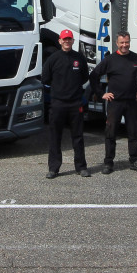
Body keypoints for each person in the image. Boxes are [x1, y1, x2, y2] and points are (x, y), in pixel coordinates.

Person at [89, 31, 137, 174]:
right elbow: (93, 76)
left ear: (129, 42)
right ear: (117, 43)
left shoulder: (136, 58)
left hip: (131, 102)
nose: (124, 45)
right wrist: (101, 93)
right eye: (121, 42)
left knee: (133, 132)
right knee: (111, 133)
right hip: (115, 103)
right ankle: (108, 163)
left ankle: (134, 161)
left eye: (127, 42)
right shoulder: (110, 60)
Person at [41, 29, 91, 179]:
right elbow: (45, 78)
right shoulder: (53, 59)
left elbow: (84, 77)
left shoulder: (79, 58)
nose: (67, 41)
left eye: (69, 39)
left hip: (75, 103)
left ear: (73, 41)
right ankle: (53, 168)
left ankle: (81, 167)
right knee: (55, 137)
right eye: (64, 39)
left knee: (78, 137)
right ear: (60, 41)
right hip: (58, 103)